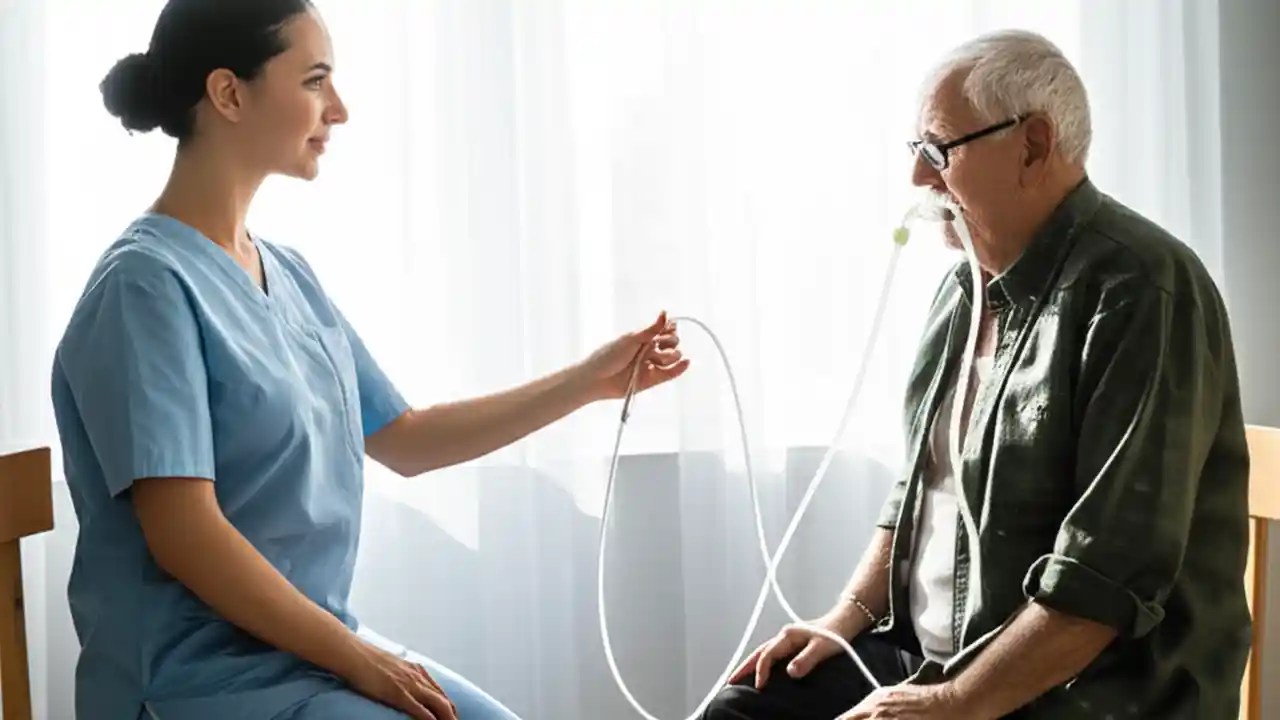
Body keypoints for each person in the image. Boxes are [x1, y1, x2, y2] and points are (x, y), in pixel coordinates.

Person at [49, 1, 689, 719]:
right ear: (229, 93)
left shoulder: (287, 275)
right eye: (314, 81)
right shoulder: (143, 288)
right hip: (193, 682)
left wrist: (590, 381)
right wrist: (361, 662)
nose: (339, 109)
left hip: (305, 653)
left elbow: (406, 439)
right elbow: (185, 536)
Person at [701, 29, 1250, 720]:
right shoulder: (962, 291)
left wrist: (957, 702)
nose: (917, 178)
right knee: (743, 708)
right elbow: (919, 490)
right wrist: (844, 619)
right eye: (916, 150)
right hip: (942, 663)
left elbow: (1107, 574)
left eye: (939, 150)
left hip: (1087, 696)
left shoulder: (1142, 289)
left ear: (1033, 146)